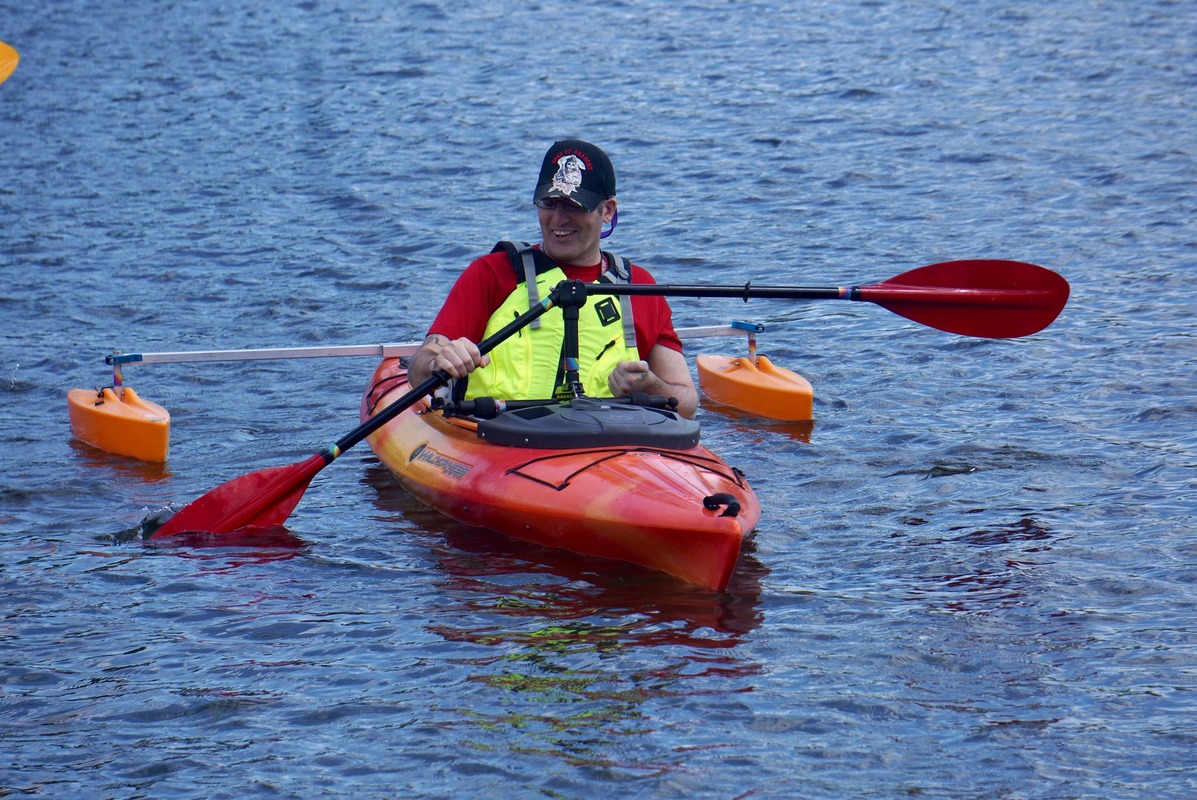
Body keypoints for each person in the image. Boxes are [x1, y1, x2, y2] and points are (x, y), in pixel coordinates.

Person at [406, 139, 699, 418]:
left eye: (574, 205)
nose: (558, 219)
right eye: (549, 203)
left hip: (606, 441)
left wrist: (650, 386)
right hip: (494, 438)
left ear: (607, 210)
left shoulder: (640, 287)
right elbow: (419, 369)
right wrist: (438, 361)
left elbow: (686, 403)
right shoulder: (492, 273)